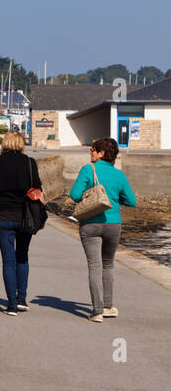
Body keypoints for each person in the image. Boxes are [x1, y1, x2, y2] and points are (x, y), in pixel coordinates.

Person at [69, 137, 137, 322]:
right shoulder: (119, 175)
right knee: (108, 265)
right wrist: (113, 200)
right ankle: (108, 306)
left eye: (93, 149)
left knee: (94, 266)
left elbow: (74, 195)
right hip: (113, 224)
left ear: (101, 153)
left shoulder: (88, 170)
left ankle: (97, 311)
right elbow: (132, 201)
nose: (90, 152)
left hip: (90, 224)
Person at [0, 129, 42, 316]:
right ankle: (22, 299)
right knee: (22, 256)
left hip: (3, 216)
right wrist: (40, 217)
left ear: (5, 144)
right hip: (25, 217)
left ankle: (11, 305)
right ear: (21, 144)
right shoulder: (29, 163)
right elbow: (38, 191)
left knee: (8, 260)